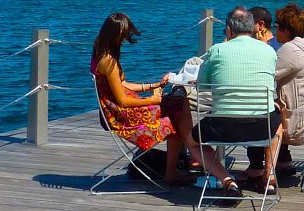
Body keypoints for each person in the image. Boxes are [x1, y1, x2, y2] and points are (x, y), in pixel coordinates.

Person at [91, 12, 215, 186]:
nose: (125, 40)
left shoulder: (101, 53)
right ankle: (190, 155)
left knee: (177, 103)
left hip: (120, 109)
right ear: (116, 35)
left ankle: (190, 155)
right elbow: (124, 101)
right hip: (122, 116)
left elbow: (122, 84)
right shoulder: (108, 61)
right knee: (176, 112)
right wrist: (154, 100)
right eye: (124, 36)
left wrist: (153, 86)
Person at [197, 7, 283, 197]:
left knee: (192, 141)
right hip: (260, 126)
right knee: (278, 128)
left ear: (228, 30)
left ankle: (227, 180)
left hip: (222, 127)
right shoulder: (269, 51)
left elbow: (201, 84)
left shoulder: (217, 50)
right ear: (252, 27)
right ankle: (269, 179)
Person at [248, 3, 304, 181]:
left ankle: (256, 167)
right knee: (274, 106)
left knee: (259, 113)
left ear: (286, 30)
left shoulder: (289, 50)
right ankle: (283, 162)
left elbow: (262, 75)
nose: (274, 30)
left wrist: (261, 46)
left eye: (277, 26)